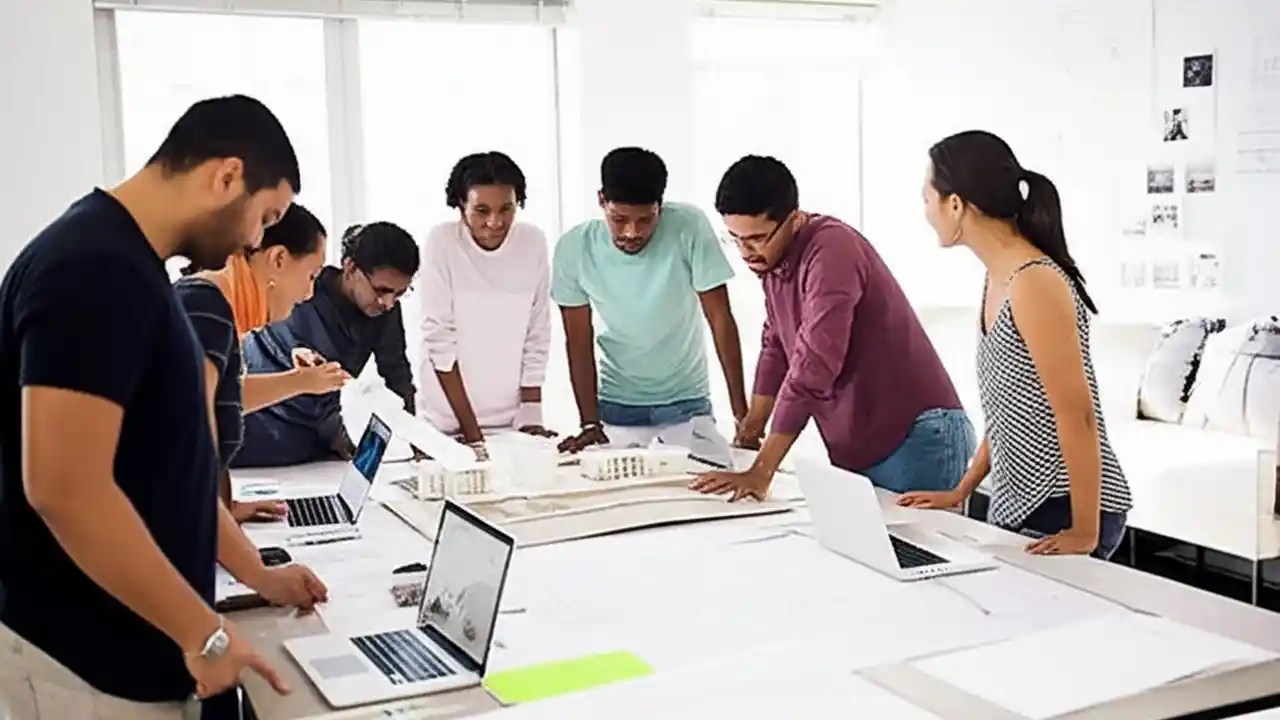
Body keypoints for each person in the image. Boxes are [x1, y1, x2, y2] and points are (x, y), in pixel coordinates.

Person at [0, 95, 325, 719]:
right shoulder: (94, 267)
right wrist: (202, 633)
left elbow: (164, 465)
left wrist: (252, 576)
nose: (255, 239)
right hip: (86, 659)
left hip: (124, 650)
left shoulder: (123, 262)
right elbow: (64, 488)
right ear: (226, 176)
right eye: (266, 215)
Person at [898, 130, 1132, 560]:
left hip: (1062, 507)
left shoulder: (1034, 282)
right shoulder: (998, 278)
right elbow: (1012, 407)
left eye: (926, 198)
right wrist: (961, 490)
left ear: (955, 204)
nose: (925, 211)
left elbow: (1076, 414)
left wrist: (1084, 532)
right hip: (1022, 503)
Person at [691, 156, 974, 502]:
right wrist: (750, 431)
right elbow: (776, 347)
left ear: (794, 220)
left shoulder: (831, 250)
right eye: (735, 239)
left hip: (915, 437)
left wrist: (761, 471)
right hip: (859, 444)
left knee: (918, 554)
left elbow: (813, 366)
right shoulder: (772, 262)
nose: (746, 252)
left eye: (757, 239)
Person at [553, 147, 747, 456]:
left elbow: (720, 319)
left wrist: (743, 417)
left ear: (661, 206)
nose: (632, 232)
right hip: (617, 410)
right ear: (601, 200)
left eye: (645, 220)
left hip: (687, 405)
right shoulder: (574, 248)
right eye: (619, 219)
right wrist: (590, 424)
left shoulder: (689, 226)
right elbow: (578, 341)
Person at [176, 203, 349, 524]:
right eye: (311, 276)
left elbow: (221, 397)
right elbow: (194, 431)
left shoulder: (212, 306)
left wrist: (227, 509)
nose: (309, 293)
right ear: (278, 259)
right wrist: (256, 570)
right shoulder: (205, 309)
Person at [234, 222, 420, 467]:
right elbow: (314, 395)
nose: (387, 303)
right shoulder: (303, 294)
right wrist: (355, 452)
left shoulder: (385, 309)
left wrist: (418, 441)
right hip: (255, 433)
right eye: (381, 290)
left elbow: (397, 373)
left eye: (399, 294)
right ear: (350, 267)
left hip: (311, 447)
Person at [418, 152, 554, 451]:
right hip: (449, 421)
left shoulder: (533, 242)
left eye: (507, 208)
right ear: (460, 205)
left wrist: (531, 415)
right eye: (481, 210)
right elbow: (438, 340)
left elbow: (538, 329)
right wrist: (472, 433)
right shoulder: (442, 242)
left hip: (512, 421)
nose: (495, 222)